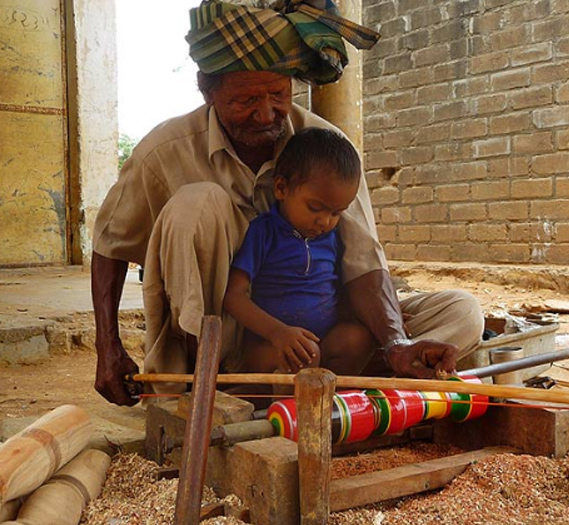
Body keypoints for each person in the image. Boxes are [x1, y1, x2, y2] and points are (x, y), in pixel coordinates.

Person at [91, 0, 484, 407]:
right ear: (207, 91)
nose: (265, 114)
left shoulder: (328, 148)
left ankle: (355, 372)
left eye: (278, 94)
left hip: (320, 335)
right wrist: (108, 346)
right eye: (245, 100)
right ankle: (219, 385)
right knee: (196, 203)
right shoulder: (164, 152)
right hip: (232, 339)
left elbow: (364, 263)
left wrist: (396, 341)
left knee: (463, 311)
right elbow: (110, 244)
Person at [224, 127, 383, 378]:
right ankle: (285, 399)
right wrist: (277, 332)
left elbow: (337, 287)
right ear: (281, 188)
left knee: (357, 338)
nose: (325, 222)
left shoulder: (331, 237)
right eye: (315, 208)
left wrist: (374, 316)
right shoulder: (264, 232)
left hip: (320, 342)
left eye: (336, 213)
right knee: (305, 354)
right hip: (269, 345)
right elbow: (233, 296)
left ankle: (327, 393)